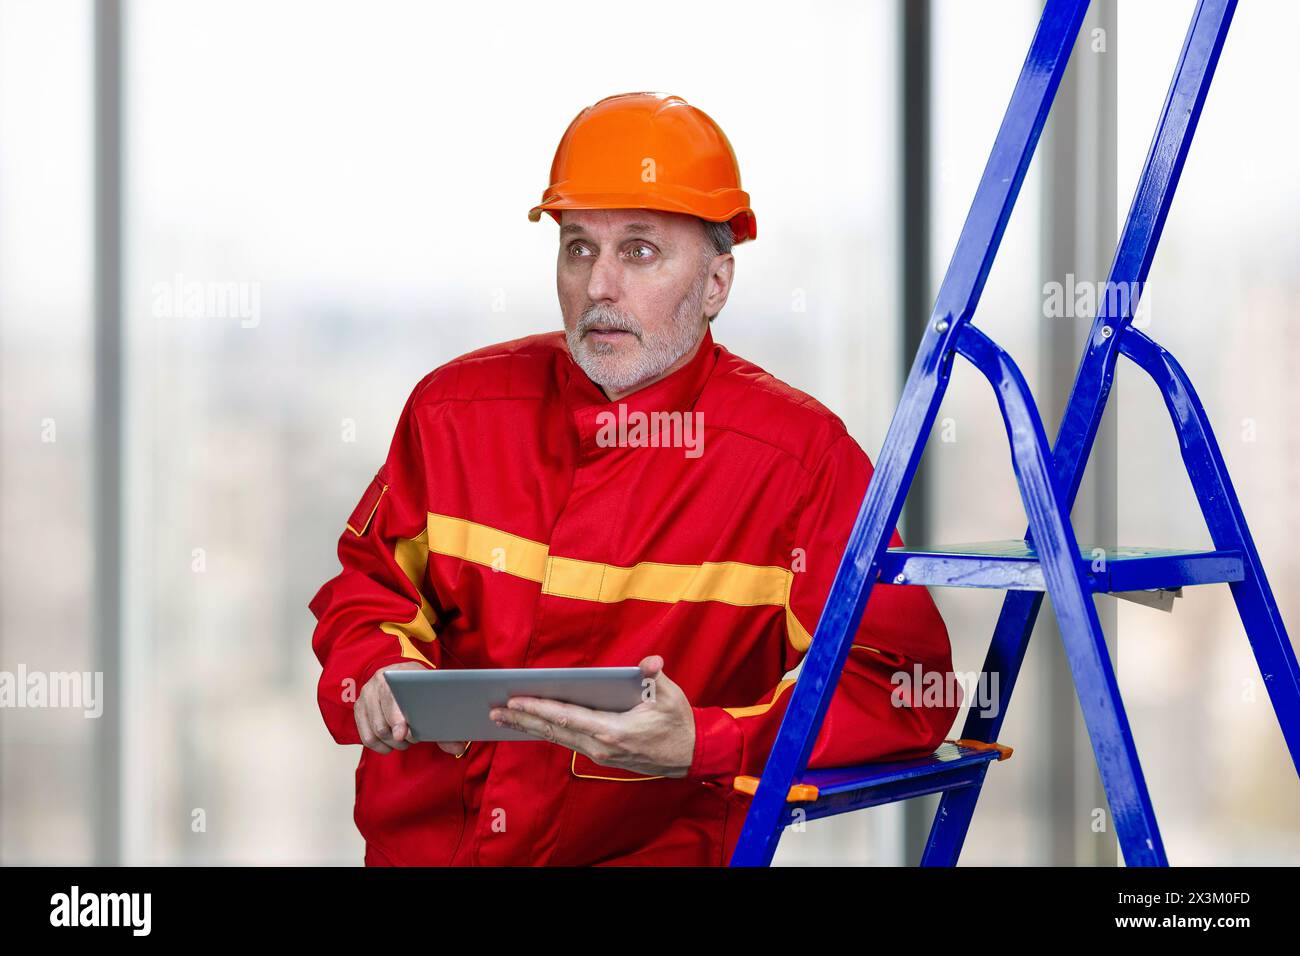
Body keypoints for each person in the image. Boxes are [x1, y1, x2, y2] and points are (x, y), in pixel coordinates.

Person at [308, 92, 961, 866]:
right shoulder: (453, 413)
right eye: (579, 247)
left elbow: (898, 682)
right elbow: (369, 587)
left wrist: (712, 739)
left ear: (717, 283)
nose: (600, 286)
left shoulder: (799, 464)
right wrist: (377, 673)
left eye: (641, 251)